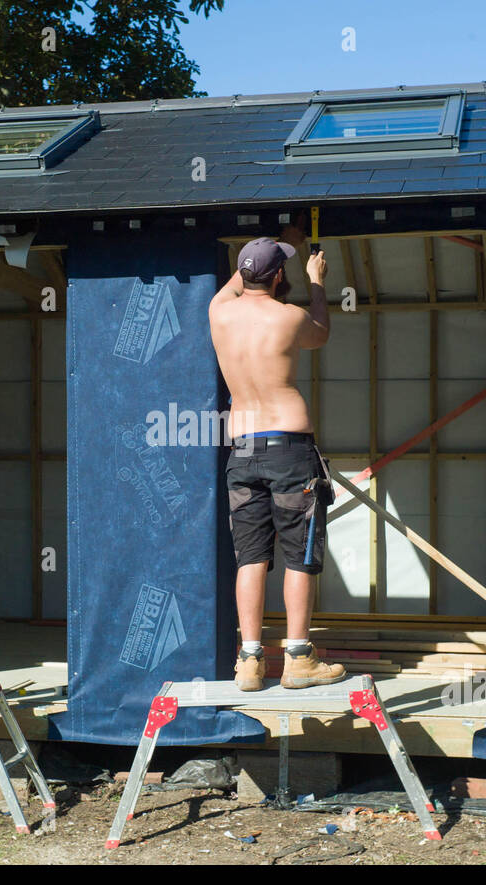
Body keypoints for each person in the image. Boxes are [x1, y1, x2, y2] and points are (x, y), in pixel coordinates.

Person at [209, 230, 346, 691]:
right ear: (279, 275)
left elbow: (239, 281)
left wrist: (262, 251)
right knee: (299, 556)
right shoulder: (290, 317)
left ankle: (249, 661)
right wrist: (317, 282)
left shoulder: (218, 312)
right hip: (288, 448)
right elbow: (322, 334)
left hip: (242, 449)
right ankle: (298, 659)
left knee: (250, 557)